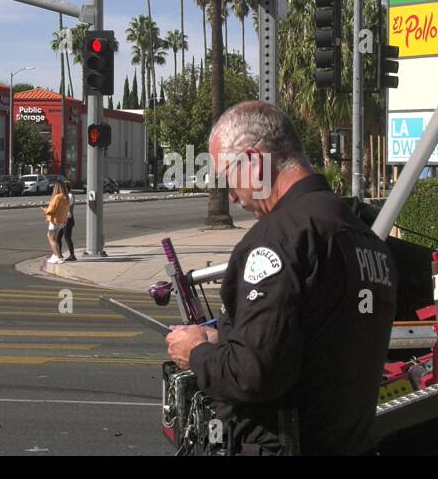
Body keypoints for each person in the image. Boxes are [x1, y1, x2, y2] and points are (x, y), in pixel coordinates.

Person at [165, 101, 397, 455]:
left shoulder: (278, 239)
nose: (230, 195)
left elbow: (253, 374)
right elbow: (312, 342)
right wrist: (226, 337)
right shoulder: (364, 237)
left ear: (255, 162)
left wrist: (196, 352)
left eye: (229, 177)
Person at [43, 181, 70, 264]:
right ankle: (57, 255)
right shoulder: (66, 197)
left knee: (51, 238)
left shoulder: (57, 197)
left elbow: (51, 210)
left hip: (54, 220)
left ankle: (57, 256)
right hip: (61, 220)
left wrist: (45, 210)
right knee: (55, 238)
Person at [56, 180, 77, 261]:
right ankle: (59, 254)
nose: (60, 189)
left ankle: (72, 255)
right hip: (61, 219)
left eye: (61, 187)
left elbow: (65, 205)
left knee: (67, 237)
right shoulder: (63, 195)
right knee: (58, 237)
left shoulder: (70, 195)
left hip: (68, 219)